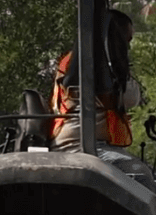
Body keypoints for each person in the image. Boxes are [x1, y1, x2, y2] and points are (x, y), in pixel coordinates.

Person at [51, 9, 146, 159]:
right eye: (126, 40)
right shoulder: (98, 66)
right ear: (114, 36)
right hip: (83, 144)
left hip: (78, 140)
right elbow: (131, 98)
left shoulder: (72, 60)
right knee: (140, 172)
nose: (127, 47)